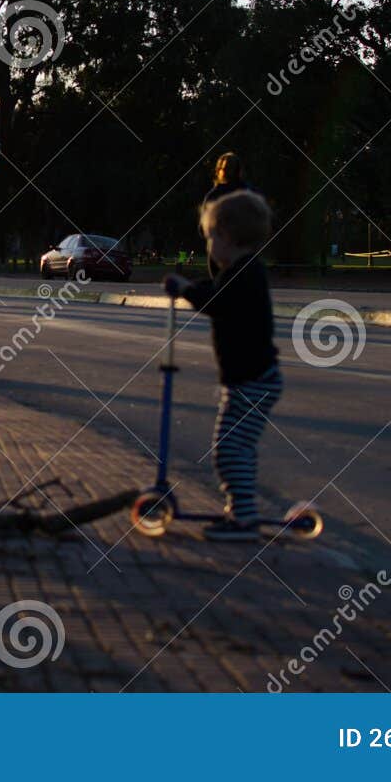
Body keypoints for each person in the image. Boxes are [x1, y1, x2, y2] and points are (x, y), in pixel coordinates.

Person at [162, 190, 282, 542]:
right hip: (251, 379)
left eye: (211, 237)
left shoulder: (246, 275)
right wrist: (188, 287)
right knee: (238, 447)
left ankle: (243, 519)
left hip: (252, 380)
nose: (209, 245)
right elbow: (216, 291)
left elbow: (215, 300)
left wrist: (185, 289)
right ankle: (242, 510)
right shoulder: (243, 271)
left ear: (226, 236)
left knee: (229, 448)